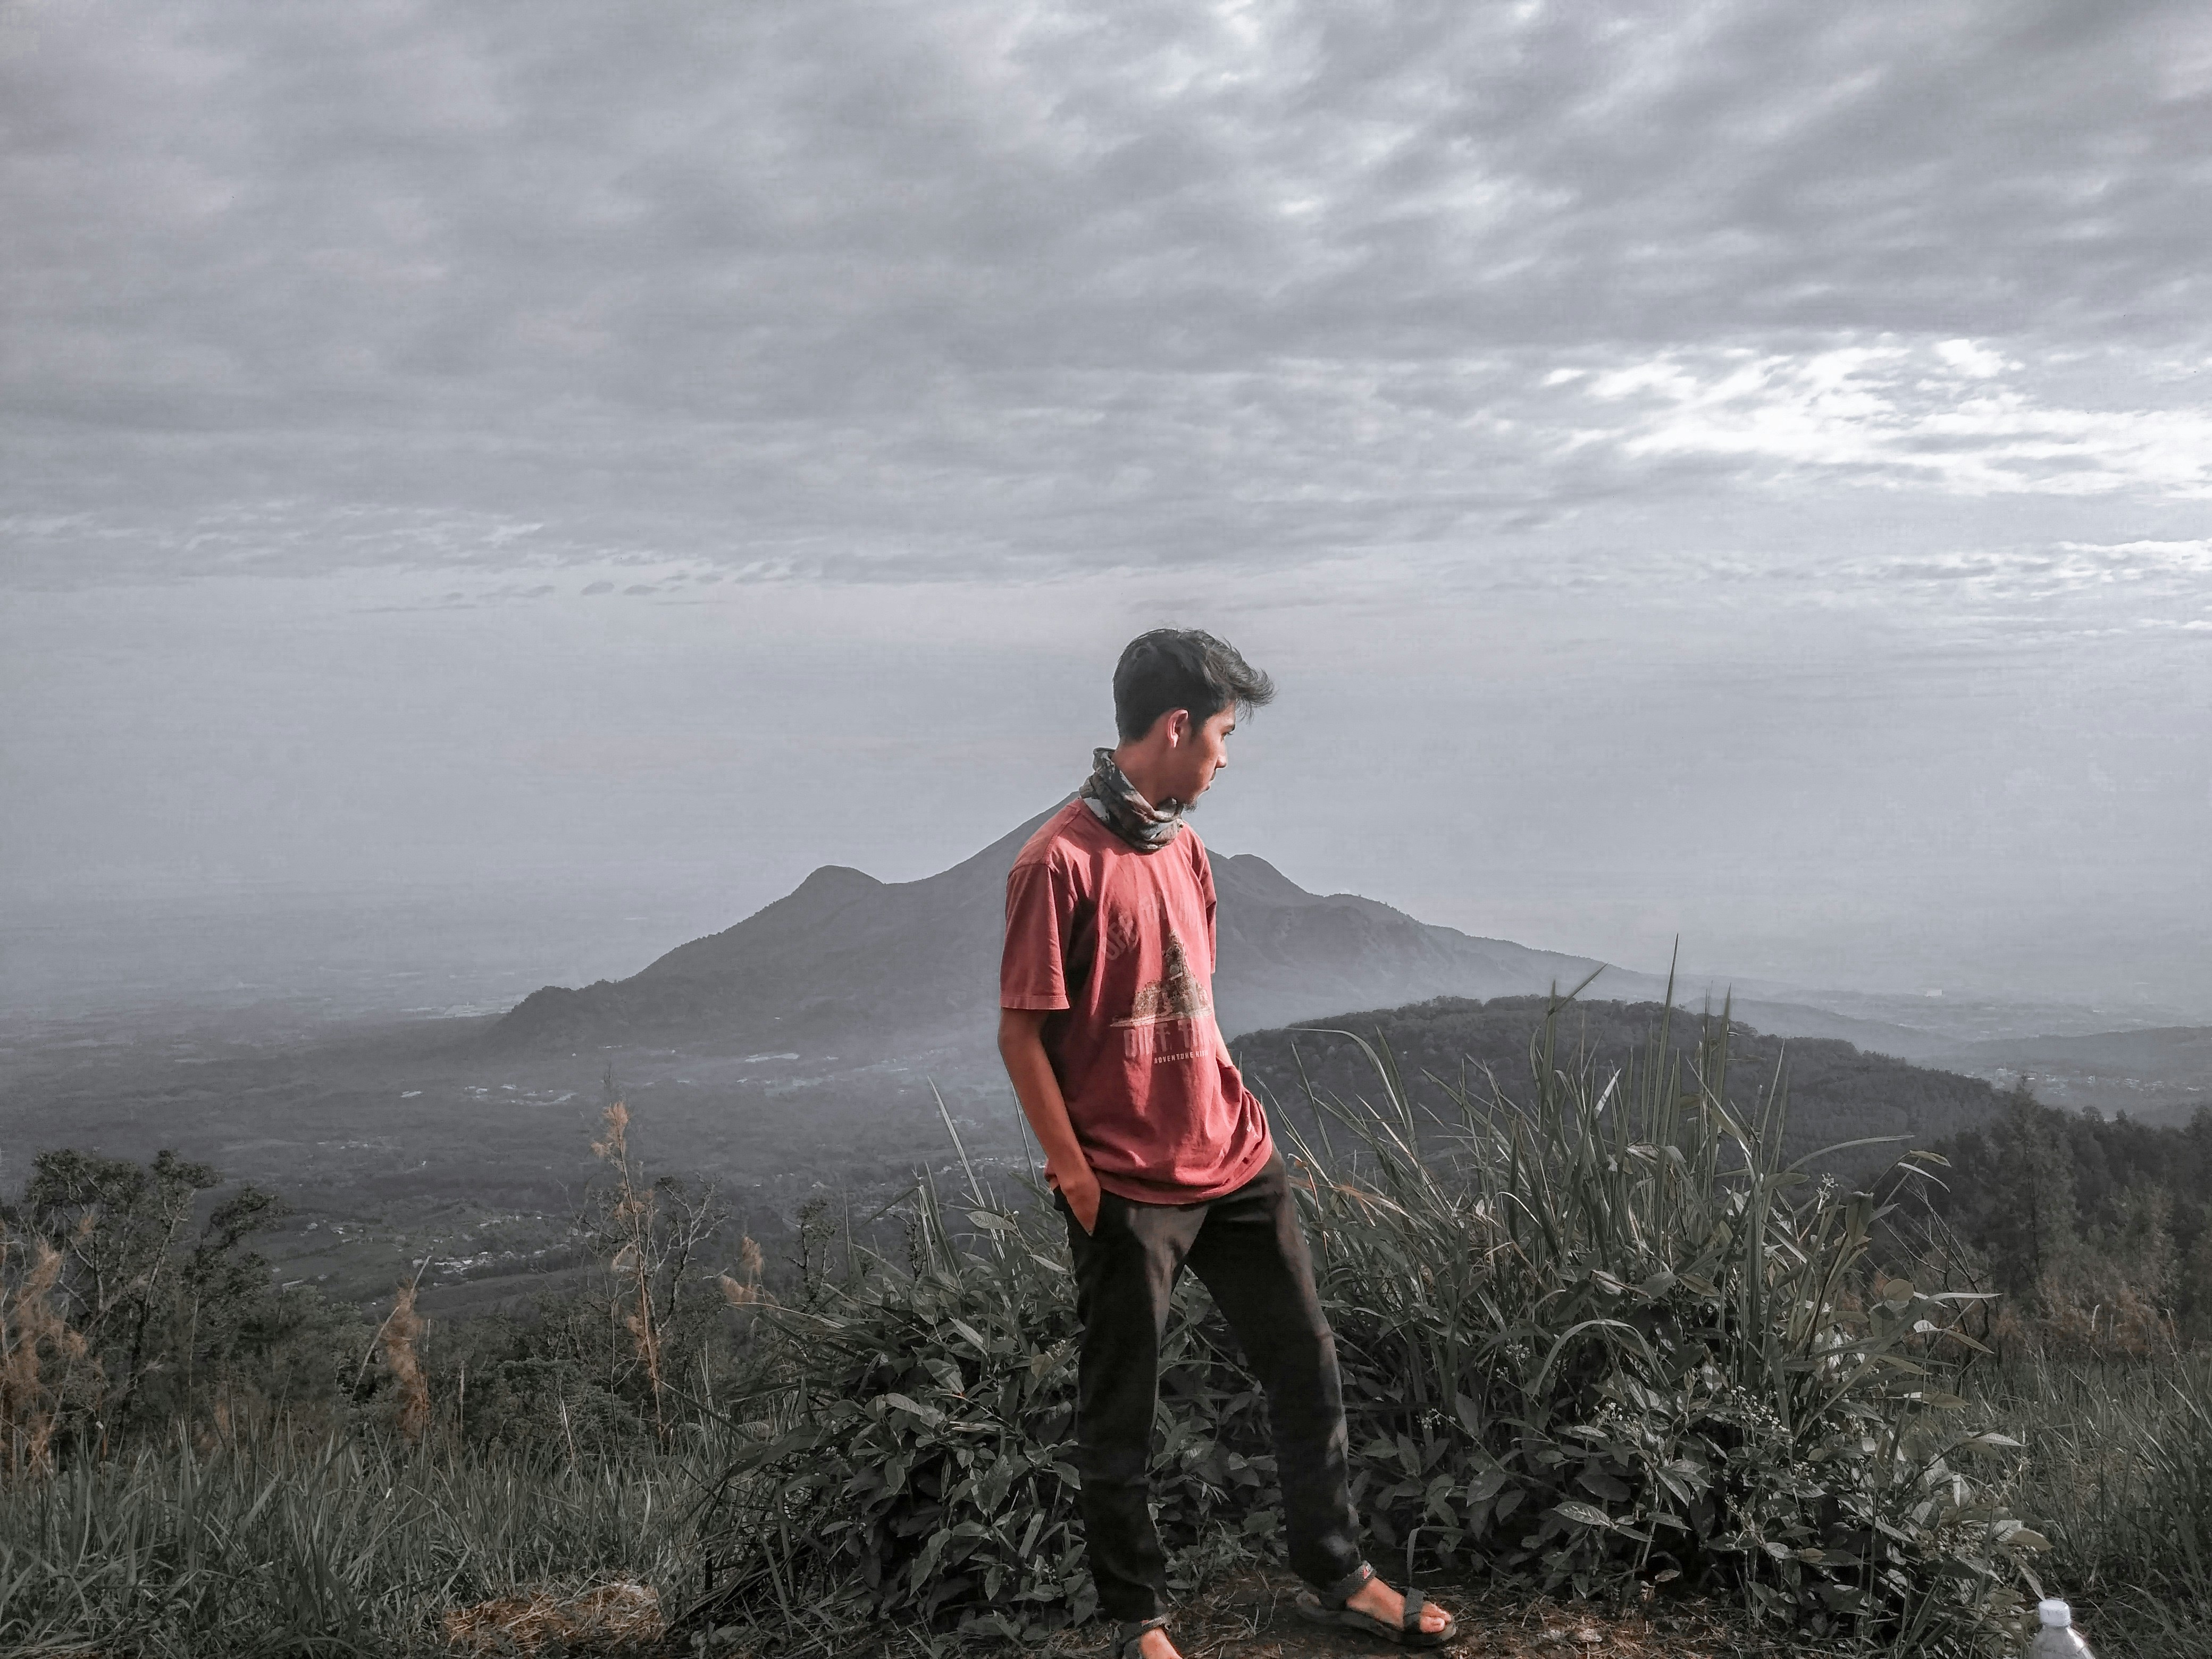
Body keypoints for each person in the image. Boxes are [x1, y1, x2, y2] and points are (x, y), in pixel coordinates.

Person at [998, 629, 1457, 1659]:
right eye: (1220, 734)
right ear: (1174, 728)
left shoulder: (1187, 852)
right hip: (1126, 1188)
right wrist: (1077, 1177)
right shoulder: (1056, 864)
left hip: (1237, 1161)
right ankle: (1137, 1621)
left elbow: (1186, 1005)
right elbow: (1020, 1032)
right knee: (1121, 1408)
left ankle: (1338, 1574)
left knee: (1305, 1363)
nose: (1223, 757)